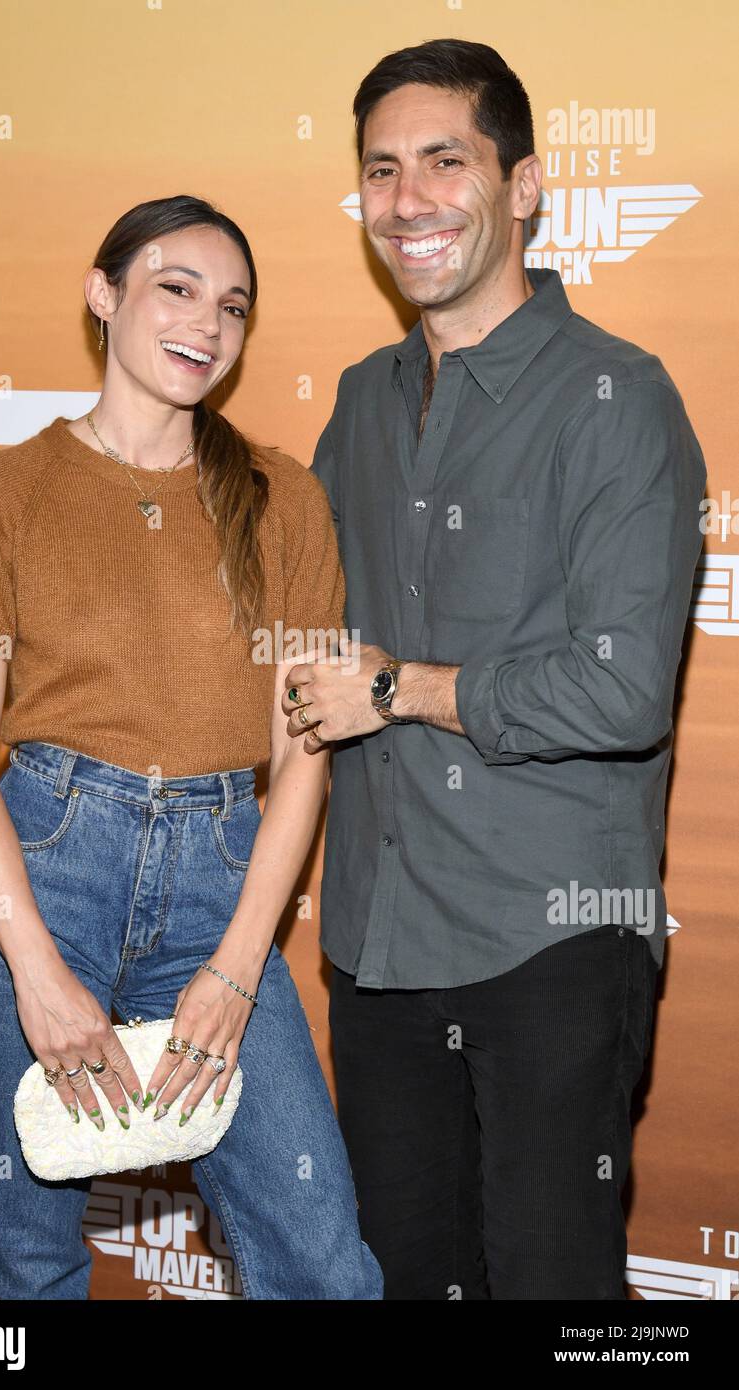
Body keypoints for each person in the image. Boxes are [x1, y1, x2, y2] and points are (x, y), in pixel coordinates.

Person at [282, 39, 707, 1299]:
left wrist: (404, 688)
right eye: (380, 169)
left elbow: (623, 688)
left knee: (552, 1289)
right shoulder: (359, 401)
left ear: (524, 187)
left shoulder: (618, 399)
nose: (407, 199)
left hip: (548, 944)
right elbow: (289, 620)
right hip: (374, 940)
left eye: (444, 161)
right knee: (410, 1277)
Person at [0, 194, 383, 1301]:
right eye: (175, 288)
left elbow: (304, 753)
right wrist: (35, 968)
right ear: (104, 293)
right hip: (38, 882)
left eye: (232, 306)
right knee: (24, 1267)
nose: (206, 324)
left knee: (320, 1264)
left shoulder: (284, 501)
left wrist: (234, 966)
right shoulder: (2, 494)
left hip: (221, 895)